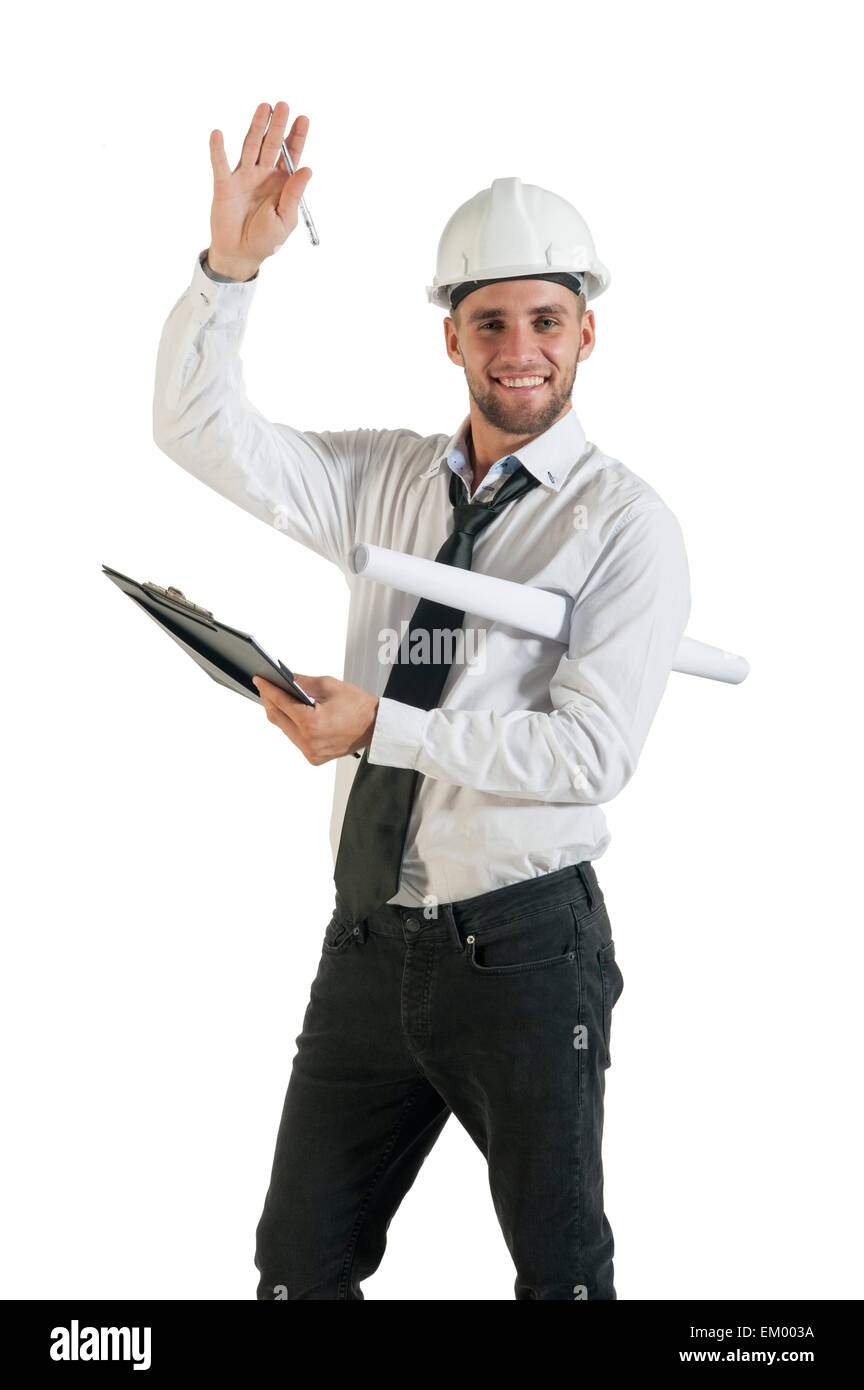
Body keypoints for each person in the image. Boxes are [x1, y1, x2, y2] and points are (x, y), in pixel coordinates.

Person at [153, 100, 691, 1301]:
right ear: (452, 337)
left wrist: (380, 728)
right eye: (489, 321)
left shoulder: (626, 526)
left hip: (522, 946)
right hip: (366, 935)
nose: (519, 348)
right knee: (297, 1265)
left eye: (545, 320)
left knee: (561, 1276)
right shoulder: (385, 478)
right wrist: (229, 270)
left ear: (586, 333)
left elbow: (591, 753)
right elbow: (197, 429)